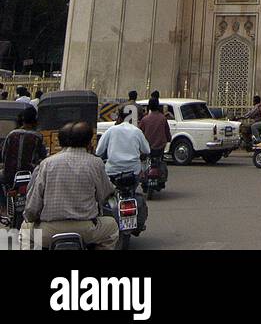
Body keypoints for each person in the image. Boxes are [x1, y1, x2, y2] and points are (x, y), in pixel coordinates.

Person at [23, 121, 118, 251]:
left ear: (60, 142)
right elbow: (105, 194)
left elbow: (32, 206)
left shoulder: (47, 164)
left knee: (25, 229)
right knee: (112, 227)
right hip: (86, 229)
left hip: (49, 231)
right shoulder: (96, 163)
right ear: (89, 142)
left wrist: (31, 218)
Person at [1, 104, 47, 219]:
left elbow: (3, 154)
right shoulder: (38, 137)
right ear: (35, 120)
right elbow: (43, 157)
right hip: (30, 175)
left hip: (10, 176)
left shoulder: (11, 135)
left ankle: (3, 207)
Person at [96, 110, 151, 181]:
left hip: (113, 171)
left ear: (119, 118)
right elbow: (147, 150)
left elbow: (98, 152)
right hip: (133, 171)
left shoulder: (111, 130)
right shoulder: (137, 131)